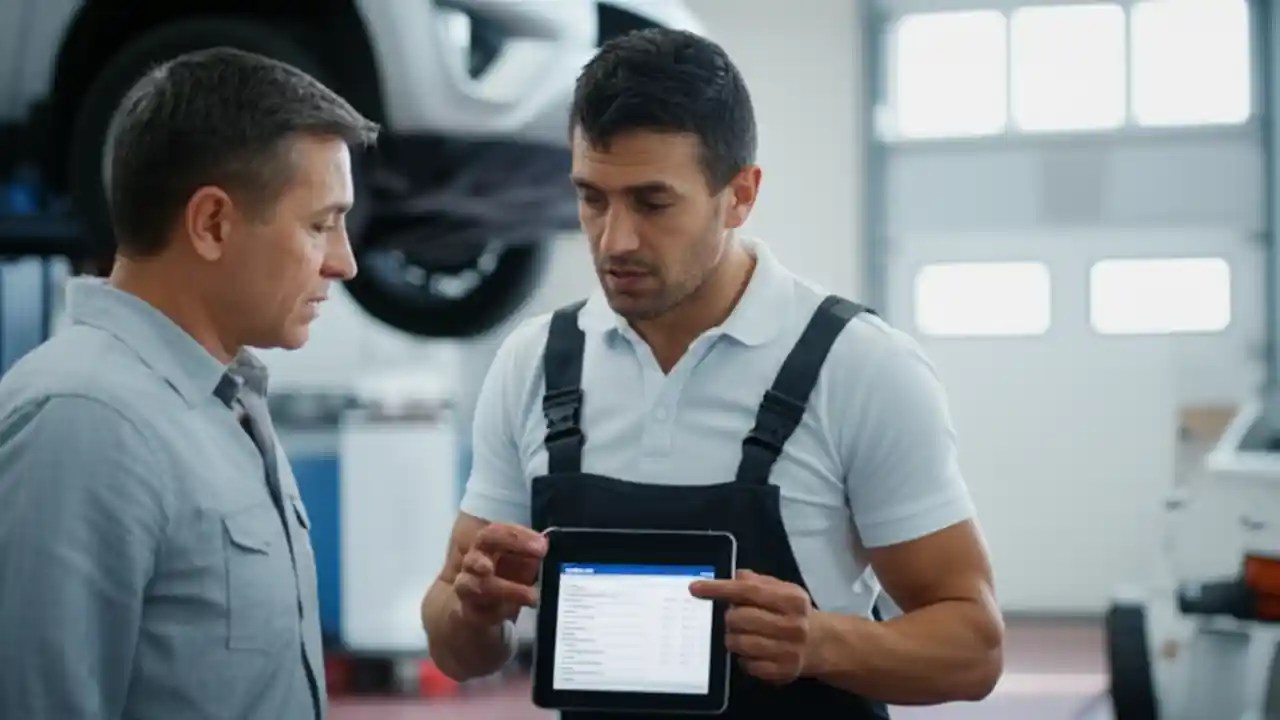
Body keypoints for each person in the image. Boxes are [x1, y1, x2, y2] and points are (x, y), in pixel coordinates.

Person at [421, 27, 1004, 719]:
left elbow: (974, 647)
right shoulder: (535, 365)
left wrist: (823, 644)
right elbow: (460, 650)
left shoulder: (859, 366)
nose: (615, 240)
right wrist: (472, 611)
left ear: (740, 195)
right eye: (592, 198)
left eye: (653, 203)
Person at [0, 47, 378, 719]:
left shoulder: (224, 406)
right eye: (320, 225)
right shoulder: (86, 423)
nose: (344, 262)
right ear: (212, 224)